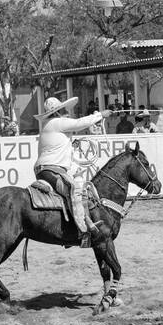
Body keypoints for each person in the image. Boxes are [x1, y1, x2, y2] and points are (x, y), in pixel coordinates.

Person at [34, 96, 105, 248]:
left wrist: (71, 144)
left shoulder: (50, 125)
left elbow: (58, 147)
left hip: (46, 169)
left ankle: (73, 228)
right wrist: (100, 115)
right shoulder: (57, 122)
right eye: (64, 110)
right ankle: (83, 231)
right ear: (58, 112)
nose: (67, 112)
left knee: (74, 189)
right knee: (74, 189)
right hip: (51, 170)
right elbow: (79, 123)